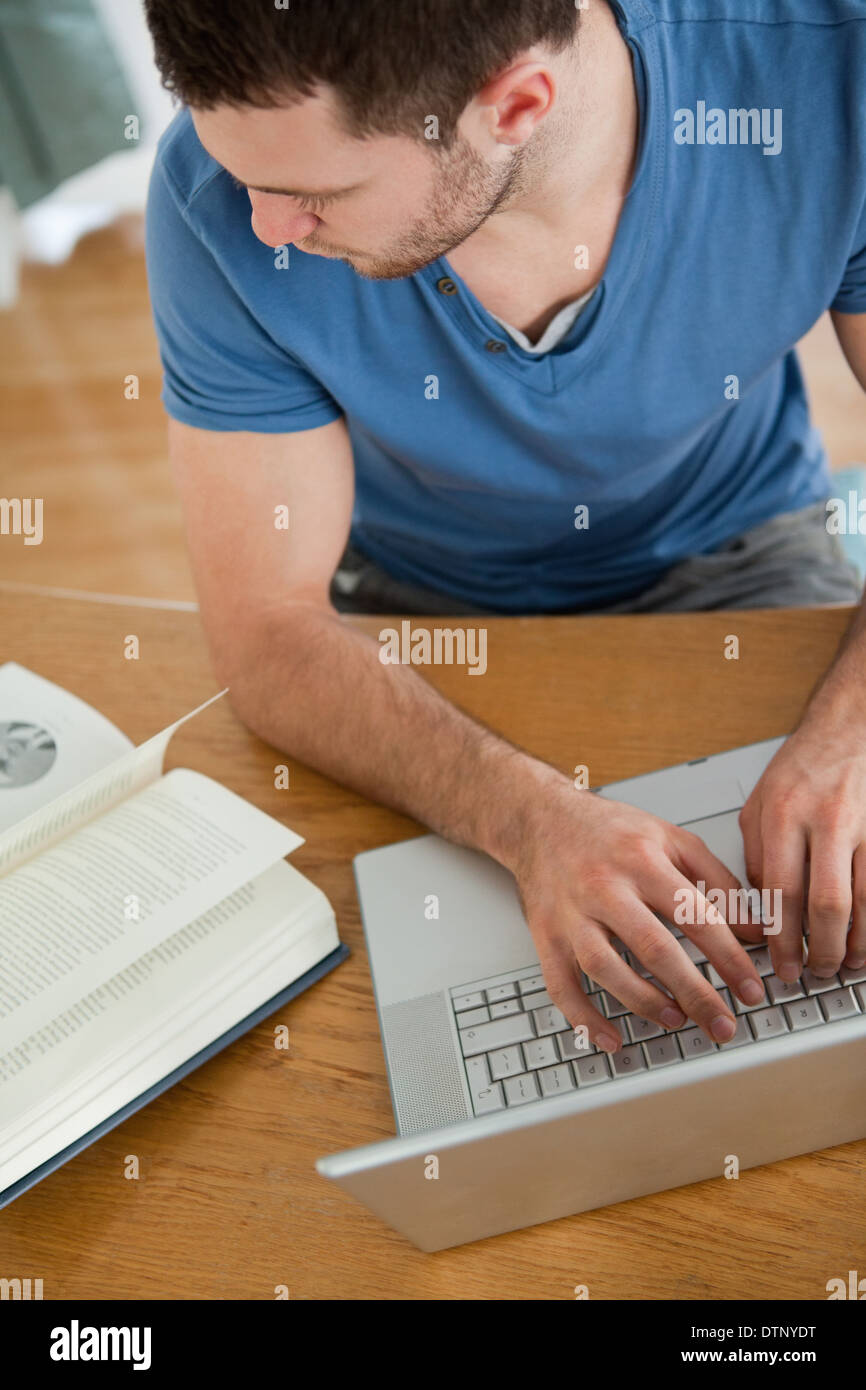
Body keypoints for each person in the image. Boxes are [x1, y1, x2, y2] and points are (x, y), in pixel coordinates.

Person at [142, 0, 866, 1055]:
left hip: (740, 544)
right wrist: (526, 820)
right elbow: (264, 629)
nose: (265, 227)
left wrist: (847, 735)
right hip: (414, 611)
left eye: (313, 194)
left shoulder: (824, 74)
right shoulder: (216, 197)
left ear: (516, 103)